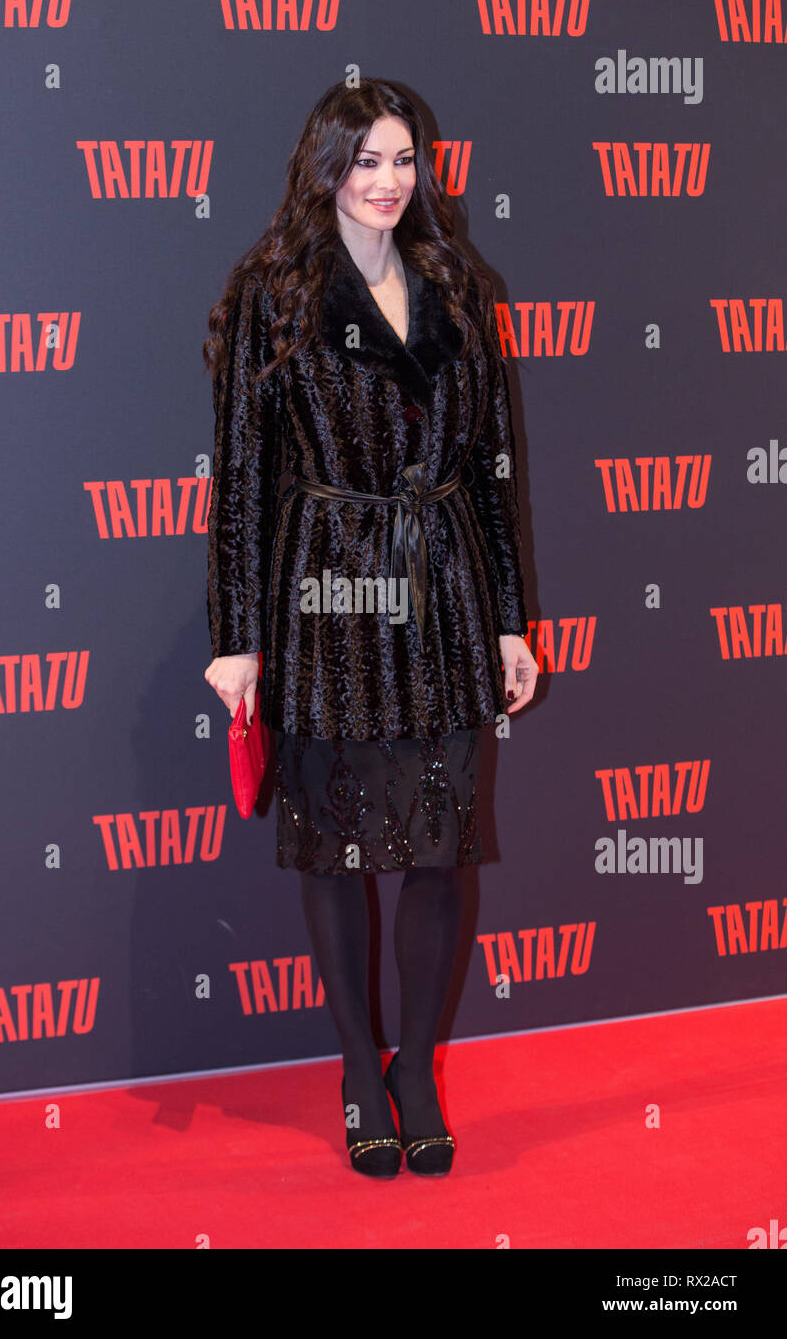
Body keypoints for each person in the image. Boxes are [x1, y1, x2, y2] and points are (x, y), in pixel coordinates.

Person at [203, 79, 538, 1179]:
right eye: (365, 160)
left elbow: (489, 475)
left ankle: (414, 1074)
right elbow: (245, 476)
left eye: (402, 160)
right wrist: (238, 637)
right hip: (330, 595)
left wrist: (508, 626)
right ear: (323, 167)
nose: (387, 181)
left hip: (439, 590)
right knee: (339, 847)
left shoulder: (453, 280)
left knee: (438, 848)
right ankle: (357, 1067)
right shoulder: (274, 291)